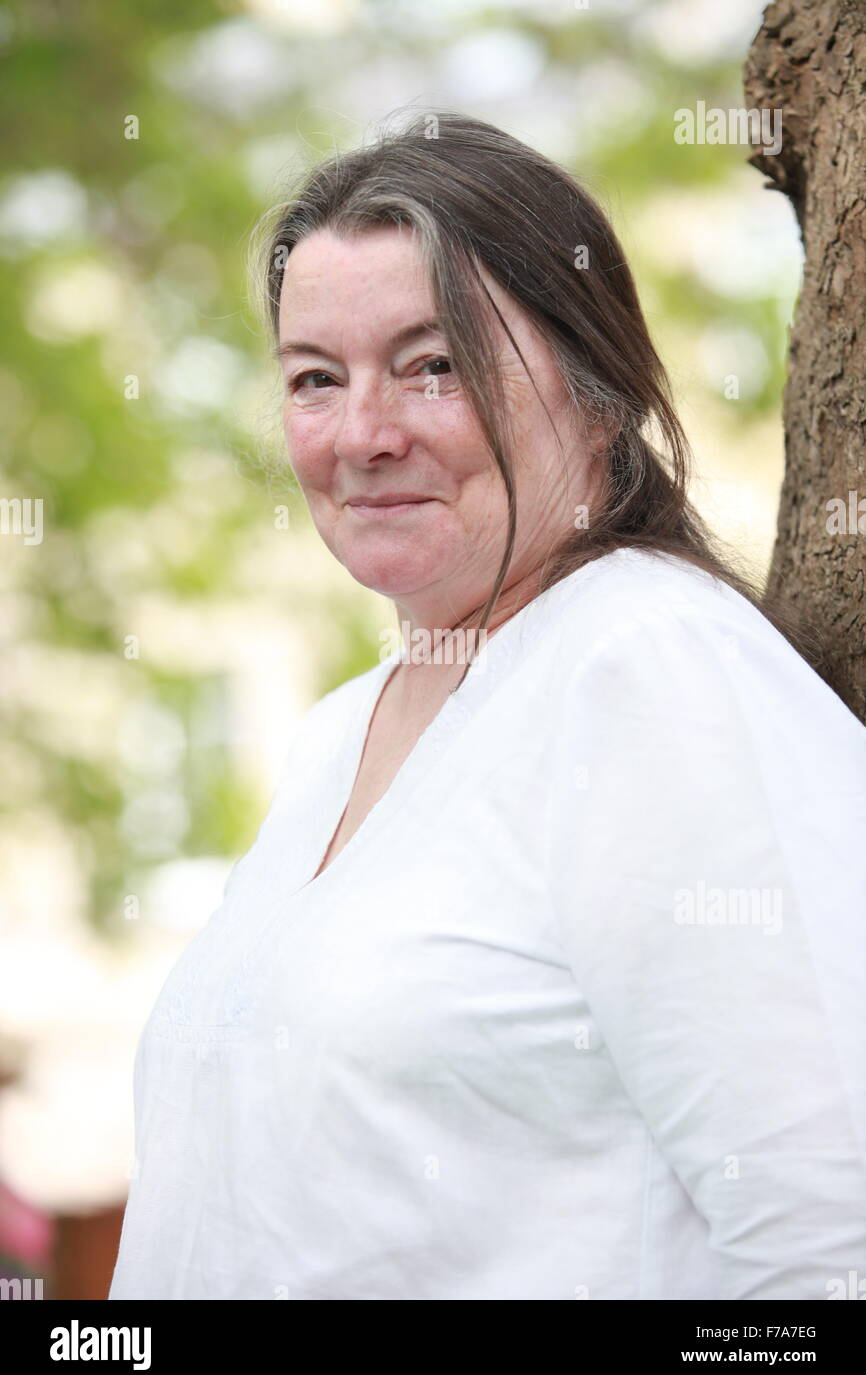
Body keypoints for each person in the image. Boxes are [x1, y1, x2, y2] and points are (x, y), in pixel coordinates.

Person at [108, 111, 866, 1301]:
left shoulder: (650, 667)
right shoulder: (330, 735)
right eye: (315, 378)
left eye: (432, 364)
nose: (362, 434)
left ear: (600, 390)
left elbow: (831, 1235)